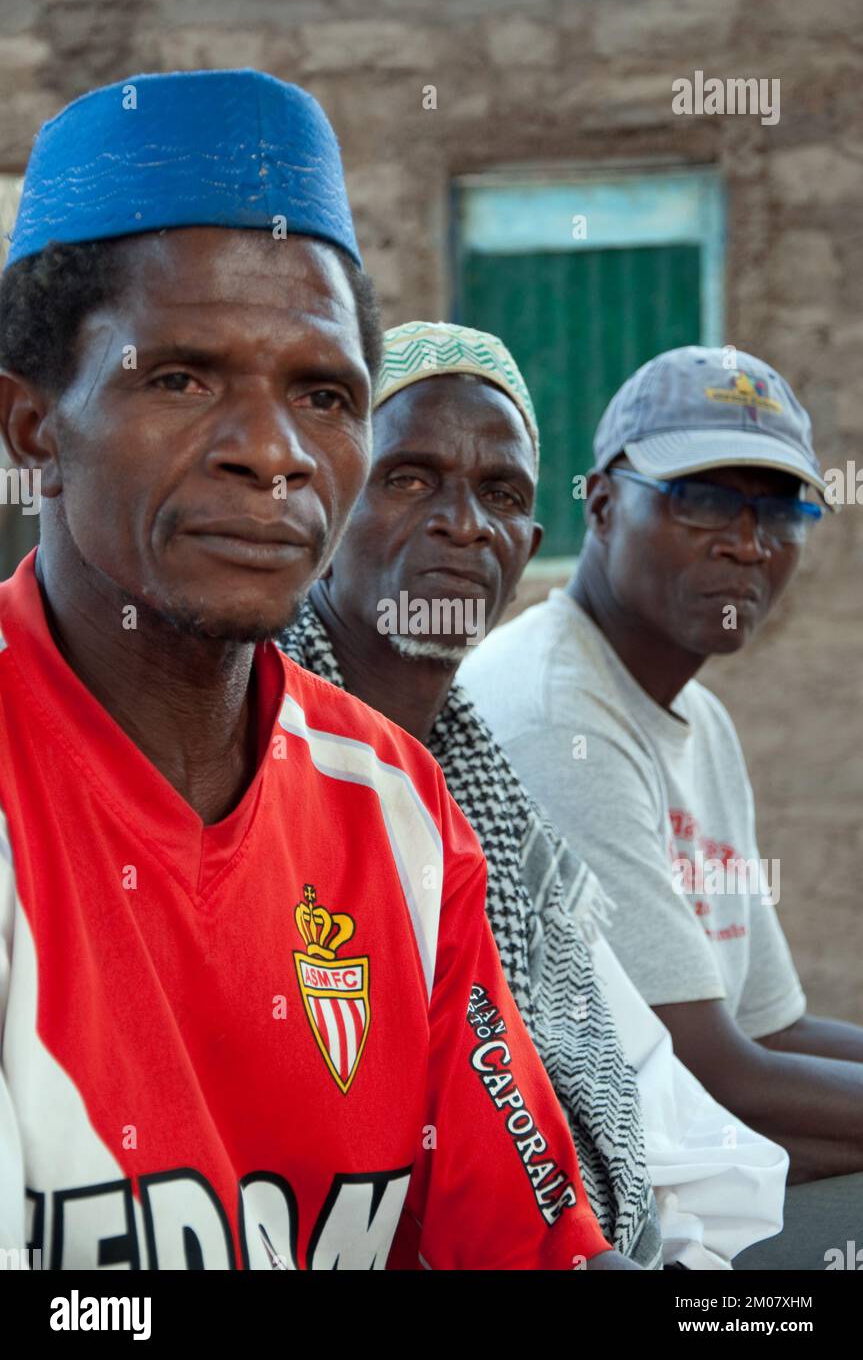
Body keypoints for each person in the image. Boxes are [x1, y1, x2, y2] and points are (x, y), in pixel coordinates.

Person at [0, 71, 627, 1271]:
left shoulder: (396, 807)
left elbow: (539, 1246)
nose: (272, 455)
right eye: (180, 376)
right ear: (35, 427)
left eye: (323, 393)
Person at [280, 321, 789, 1271]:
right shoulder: (251, 761)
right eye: (408, 478)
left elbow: (665, 1117)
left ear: (529, 545)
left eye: (500, 494)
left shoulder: (503, 819)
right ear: (324, 500)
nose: (464, 523)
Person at [460, 345, 863, 1268]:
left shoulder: (699, 720)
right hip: (597, 1223)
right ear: (601, 504)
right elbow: (712, 1074)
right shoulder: (553, 712)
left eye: (778, 508)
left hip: (705, 1178)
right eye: (702, 499)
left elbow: (769, 1027)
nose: (746, 542)